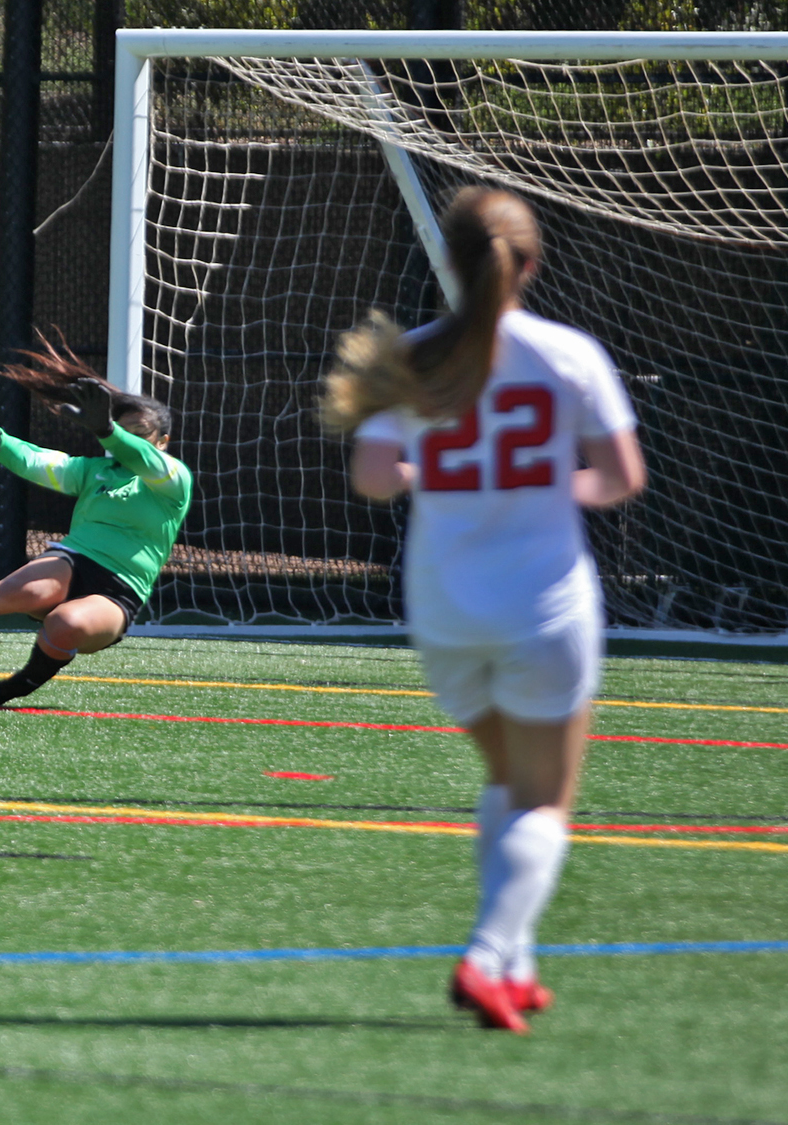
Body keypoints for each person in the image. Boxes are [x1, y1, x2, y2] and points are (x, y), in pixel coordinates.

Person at [323, 187, 646, 1033]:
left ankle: (519, 959)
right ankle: (488, 951)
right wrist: (539, 484)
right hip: (544, 605)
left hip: (444, 608)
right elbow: (620, 479)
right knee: (546, 798)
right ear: (530, 264)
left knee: (507, 779)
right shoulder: (569, 355)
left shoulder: (411, 355)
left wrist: (437, 476)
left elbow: (371, 478)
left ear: (452, 264)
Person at [0, 336, 192, 707]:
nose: (127, 441)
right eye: (122, 431)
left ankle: (18, 685)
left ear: (163, 441)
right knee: (16, 592)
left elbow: (143, 459)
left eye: (141, 435)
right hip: (73, 560)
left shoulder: (173, 480)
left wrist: (110, 430)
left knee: (66, 624)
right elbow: (37, 461)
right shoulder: (93, 470)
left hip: (119, 591)